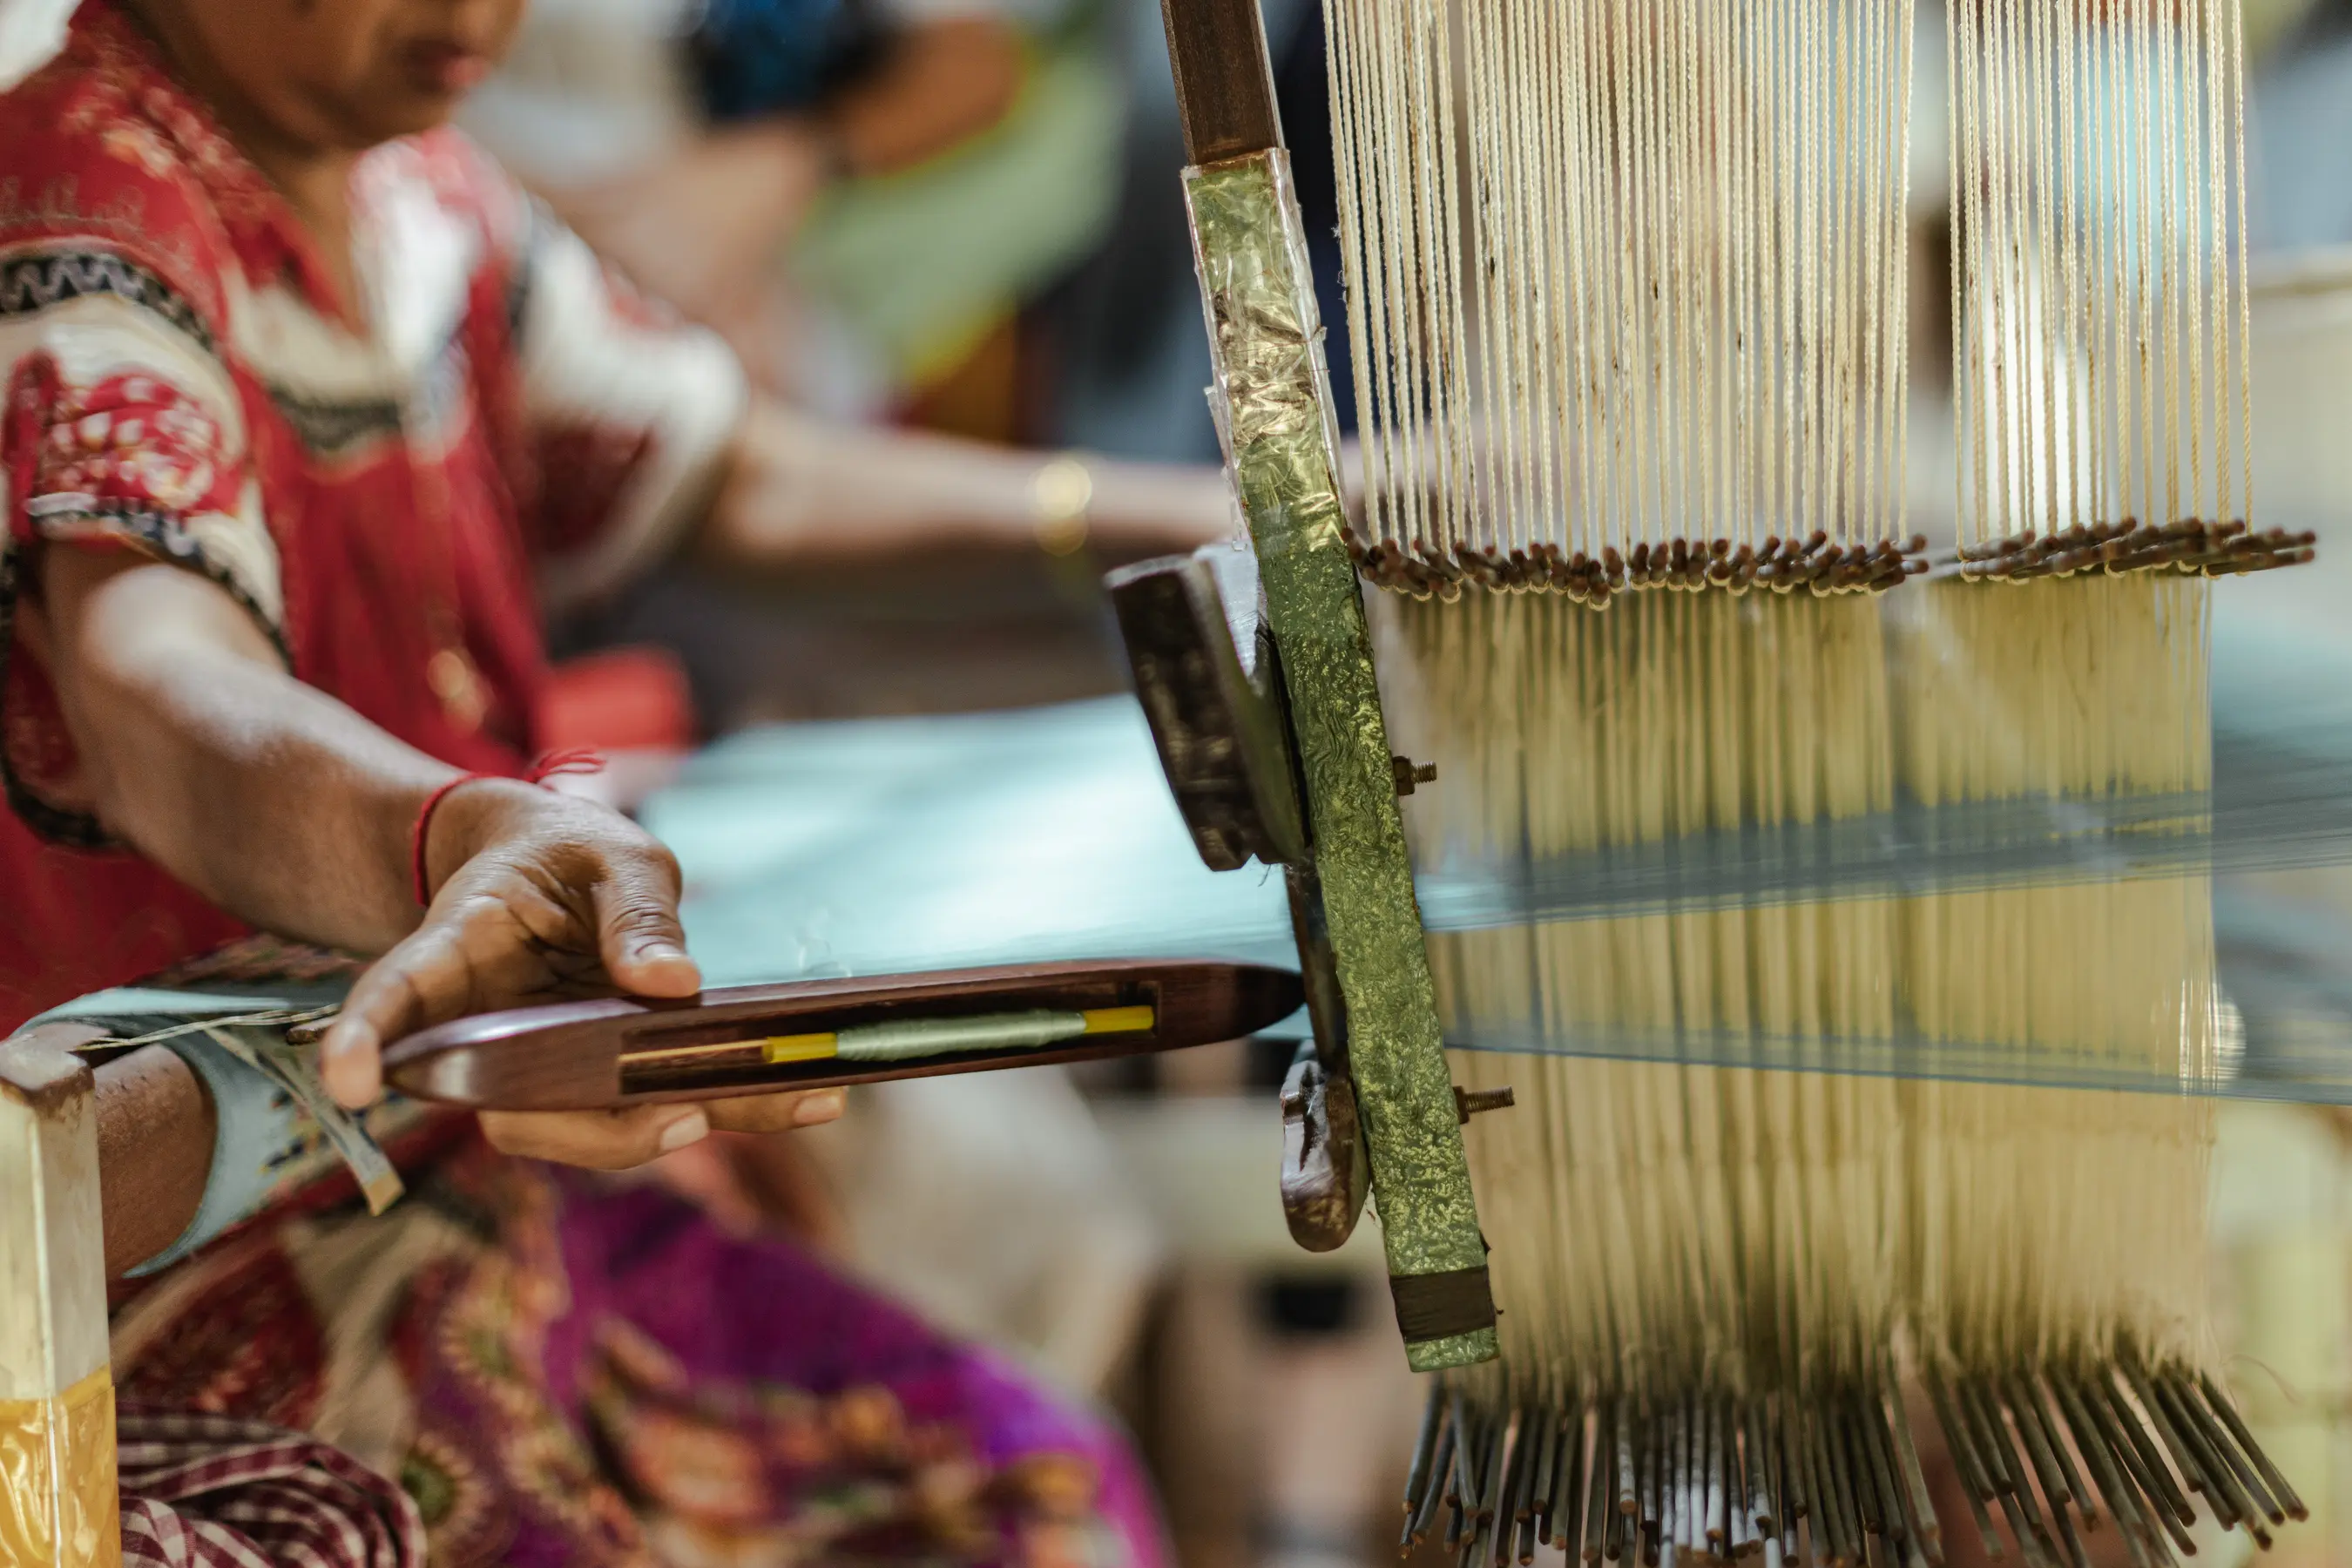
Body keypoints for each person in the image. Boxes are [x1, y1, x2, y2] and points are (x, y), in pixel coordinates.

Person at [0, 0, 1227, 1558]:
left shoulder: (422, 200)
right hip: (176, 1264)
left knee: (1029, 1491)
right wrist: (450, 838)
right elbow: (160, 689)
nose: (476, 14)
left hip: (461, 1191)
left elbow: (723, 467)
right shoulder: (76, 224)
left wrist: (1203, 516)